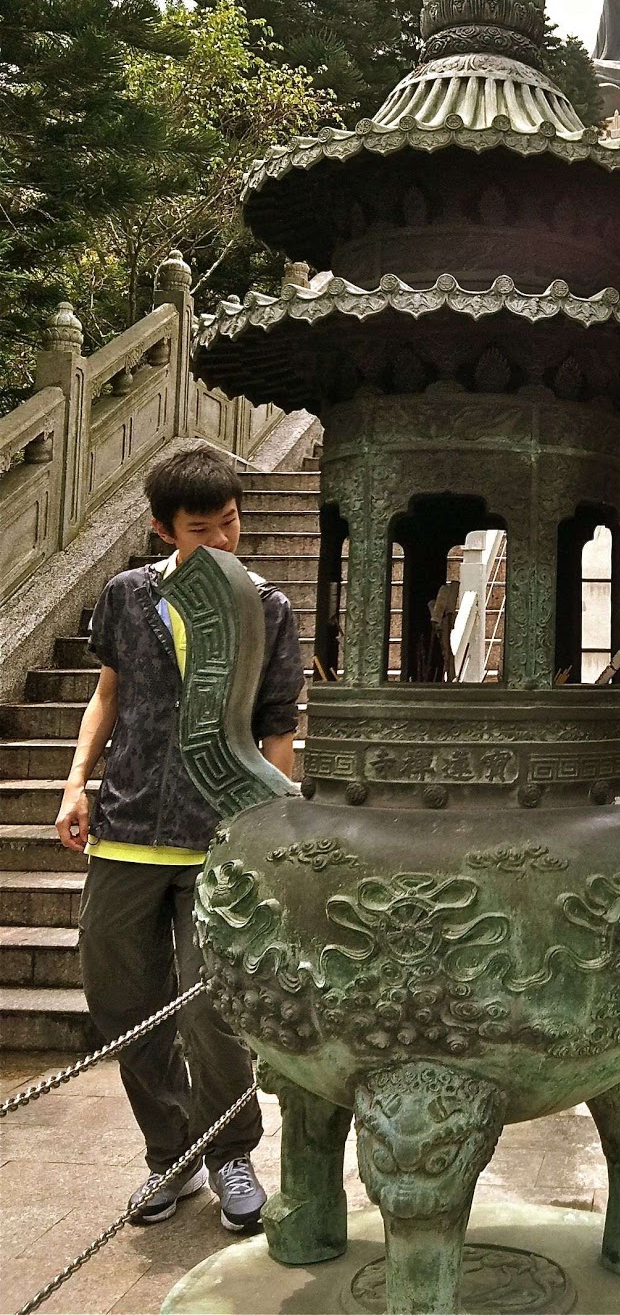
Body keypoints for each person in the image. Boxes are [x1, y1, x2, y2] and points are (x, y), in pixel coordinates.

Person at [55, 448, 305, 1232]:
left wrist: (267, 829)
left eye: (231, 521)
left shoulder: (266, 606)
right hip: (127, 830)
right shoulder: (127, 597)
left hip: (218, 842)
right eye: (202, 529)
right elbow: (107, 696)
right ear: (163, 530)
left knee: (215, 1011)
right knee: (124, 1005)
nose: (222, 540)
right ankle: (172, 1155)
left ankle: (231, 1153)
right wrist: (74, 784)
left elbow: (278, 730)